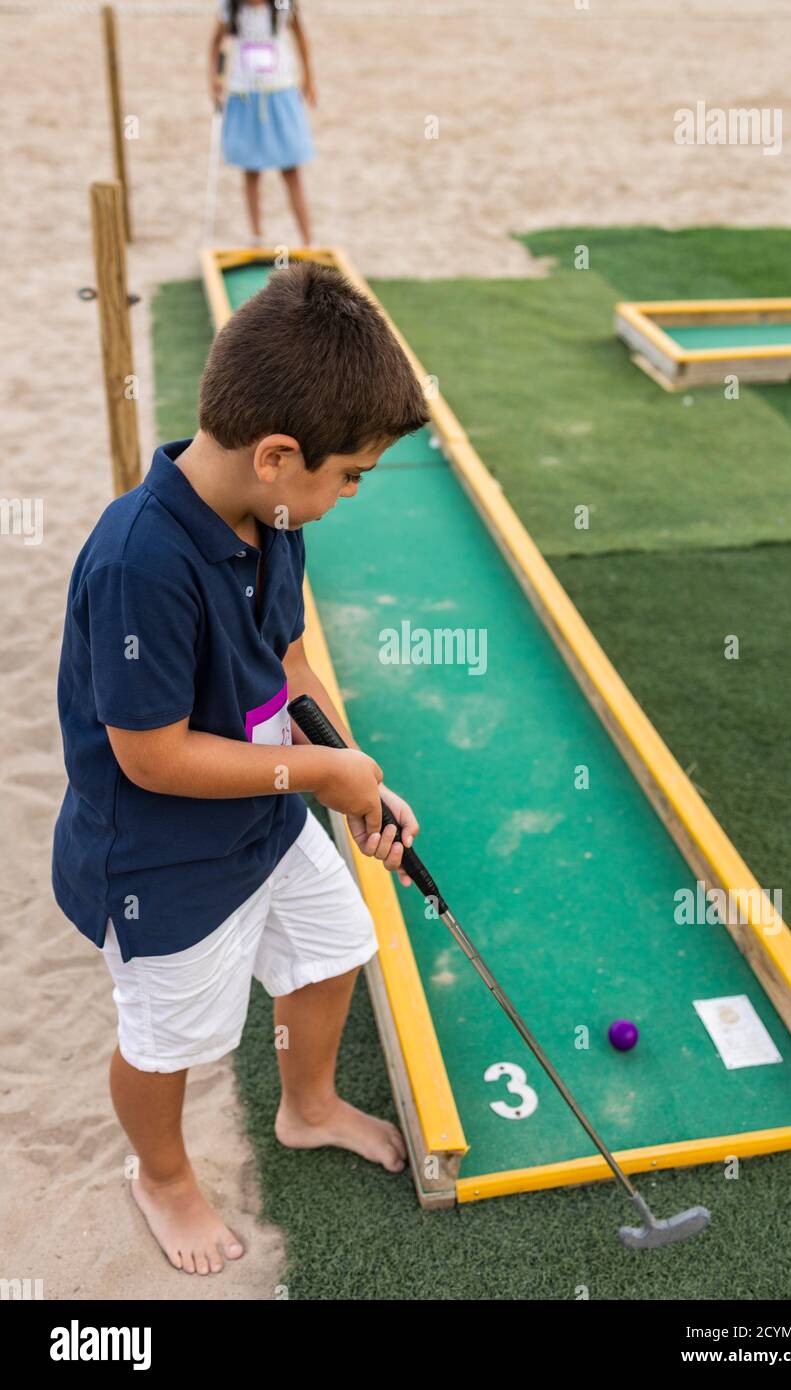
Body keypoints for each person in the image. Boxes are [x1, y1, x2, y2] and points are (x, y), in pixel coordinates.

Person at [52, 262, 431, 1276]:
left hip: (262, 819)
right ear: (276, 453)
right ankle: (163, 1176)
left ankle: (307, 1107)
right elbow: (153, 753)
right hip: (161, 860)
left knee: (333, 946)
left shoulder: (275, 517)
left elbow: (290, 657)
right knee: (168, 1039)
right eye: (349, 472)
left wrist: (349, 767)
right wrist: (318, 779)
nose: (351, 492)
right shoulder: (141, 562)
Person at [210, 0, 316, 244]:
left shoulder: (282, 6)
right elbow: (215, 44)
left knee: (291, 169)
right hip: (245, 95)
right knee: (251, 169)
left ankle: (308, 240)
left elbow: (302, 39)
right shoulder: (231, 8)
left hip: (279, 92)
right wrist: (214, 80)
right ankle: (256, 235)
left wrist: (309, 79)